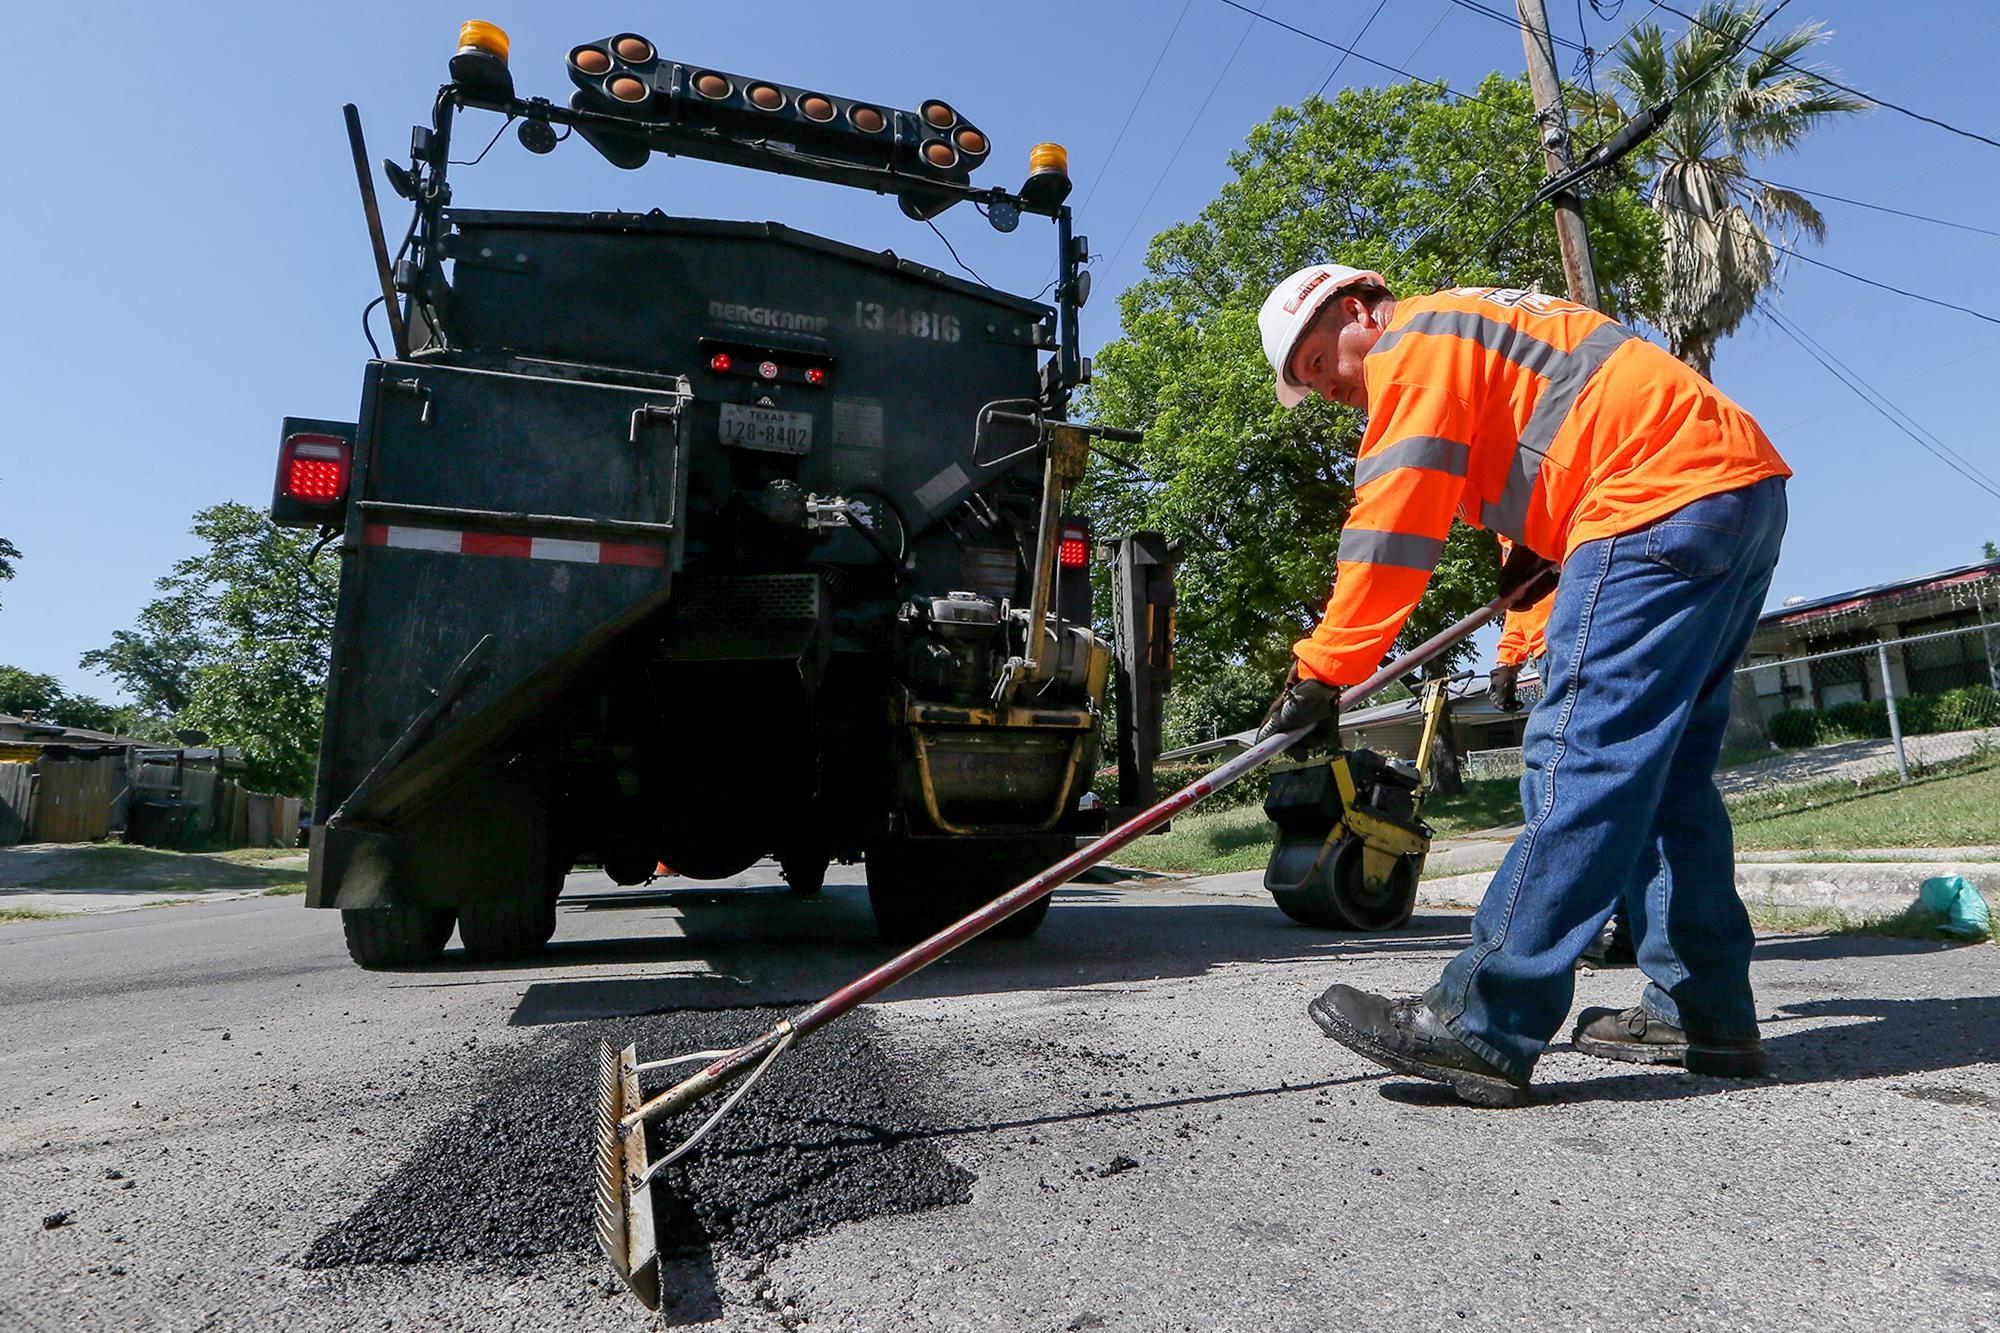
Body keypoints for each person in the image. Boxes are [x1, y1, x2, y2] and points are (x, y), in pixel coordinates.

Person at [1254, 266, 1789, 1107]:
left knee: (1581, 758)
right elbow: (1539, 520)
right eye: (1314, 385)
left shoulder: (1414, 350)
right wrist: (1524, 640)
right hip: (1730, 492)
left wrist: (1324, 671)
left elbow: (1392, 527)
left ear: (1358, 310)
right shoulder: (1473, 332)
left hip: (1648, 498)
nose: (1333, 390)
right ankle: (1703, 1007)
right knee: (1668, 773)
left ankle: (1484, 1019)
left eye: (1325, 362)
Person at [1492, 569, 1636, 970]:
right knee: (1586, 778)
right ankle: (1628, 926)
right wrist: (1507, 659)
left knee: (1567, 779)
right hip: (1551, 647)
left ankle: (1562, 933)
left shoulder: (1541, 508)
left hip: (1587, 631)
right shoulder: (1509, 525)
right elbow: (1523, 598)